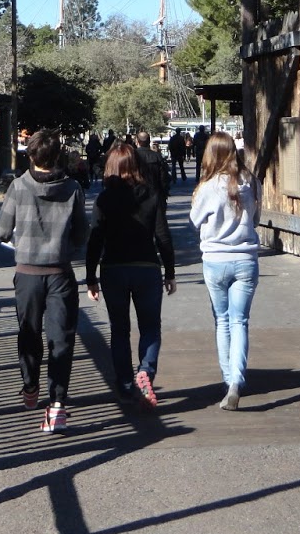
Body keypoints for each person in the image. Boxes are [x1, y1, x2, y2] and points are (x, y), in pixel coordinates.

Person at [0, 129, 91, 434]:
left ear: (31, 155)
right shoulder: (73, 188)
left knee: (29, 334)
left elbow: (0, 231)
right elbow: (81, 234)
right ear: (58, 155)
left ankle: (30, 384)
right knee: (61, 338)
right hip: (60, 273)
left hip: (27, 274)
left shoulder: (18, 187)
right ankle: (57, 405)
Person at [86, 141, 176, 405]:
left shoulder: (103, 199)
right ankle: (146, 370)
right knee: (150, 327)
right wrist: (169, 271)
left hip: (113, 268)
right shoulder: (150, 194)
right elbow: (163, 236)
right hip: (146, 267)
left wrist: (91, 277)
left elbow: (95, 239)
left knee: (120, 329)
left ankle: (125, 383)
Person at [189, 131, 261, 410]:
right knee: (240, 321)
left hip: (215, 259)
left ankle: (228, 377)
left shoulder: (207, 187)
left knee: (222, 320)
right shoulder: (252, 183)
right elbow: (256, 219)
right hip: (246, 258)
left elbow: (195, 220)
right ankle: (236, 382)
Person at [134, 130, 169, 196]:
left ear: (137, 142)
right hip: (155, 194)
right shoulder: (157, 156)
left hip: (137, 195)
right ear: (149, 141)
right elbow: (164, 176)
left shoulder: (132, 156)